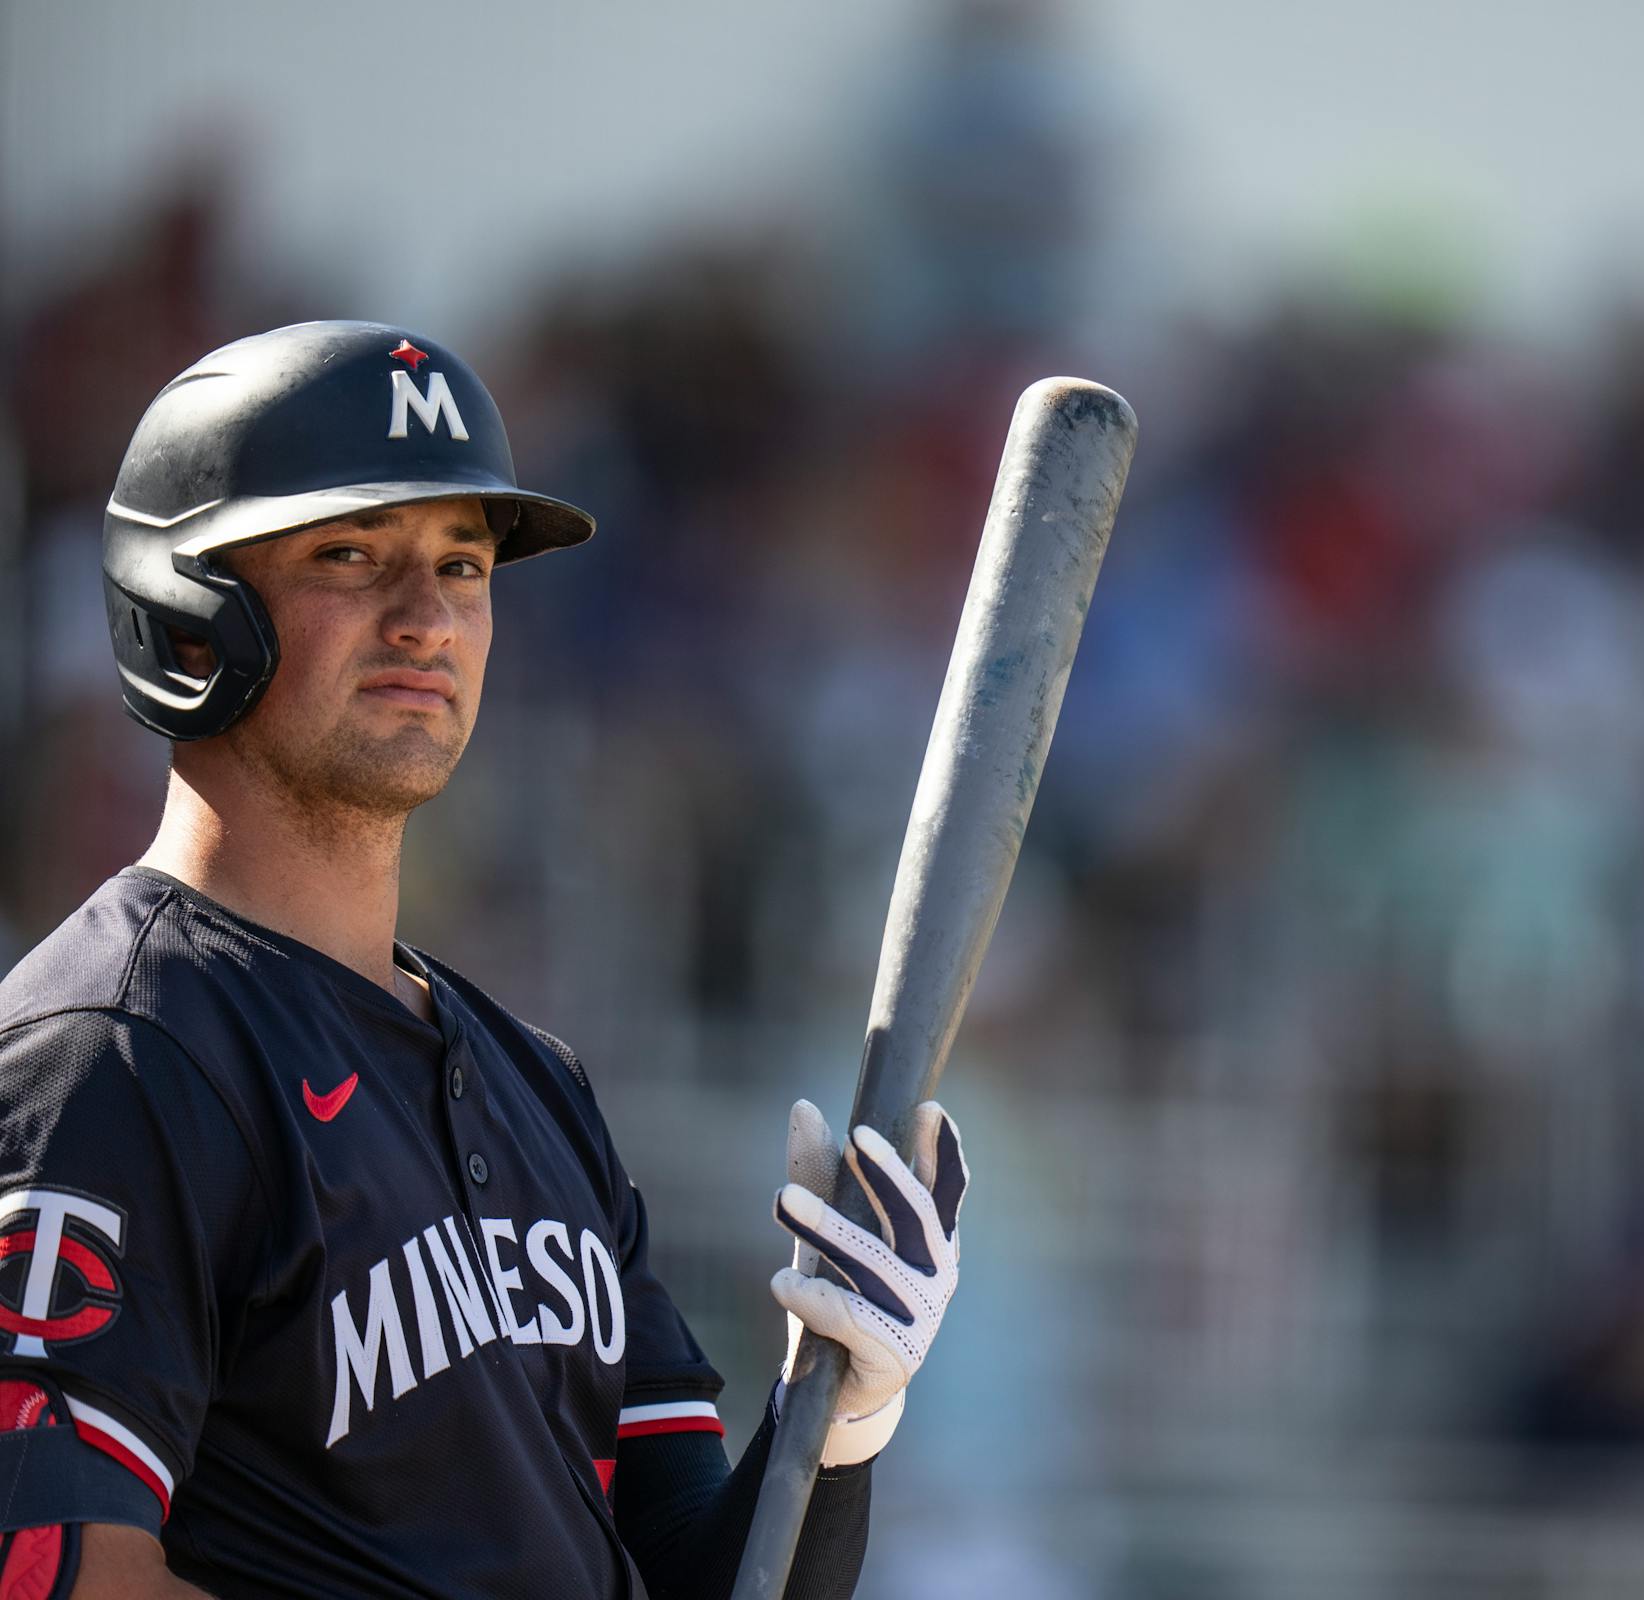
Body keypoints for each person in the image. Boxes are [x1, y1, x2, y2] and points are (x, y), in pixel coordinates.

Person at [0, 322, 966, 1599]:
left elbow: (694, 1574)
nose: (428, 618)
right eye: (351, 554)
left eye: (462, 564)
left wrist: (835, 1413)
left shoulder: (538, 1088)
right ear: (187, 616)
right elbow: (50, 1574)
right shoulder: (112, 1058)